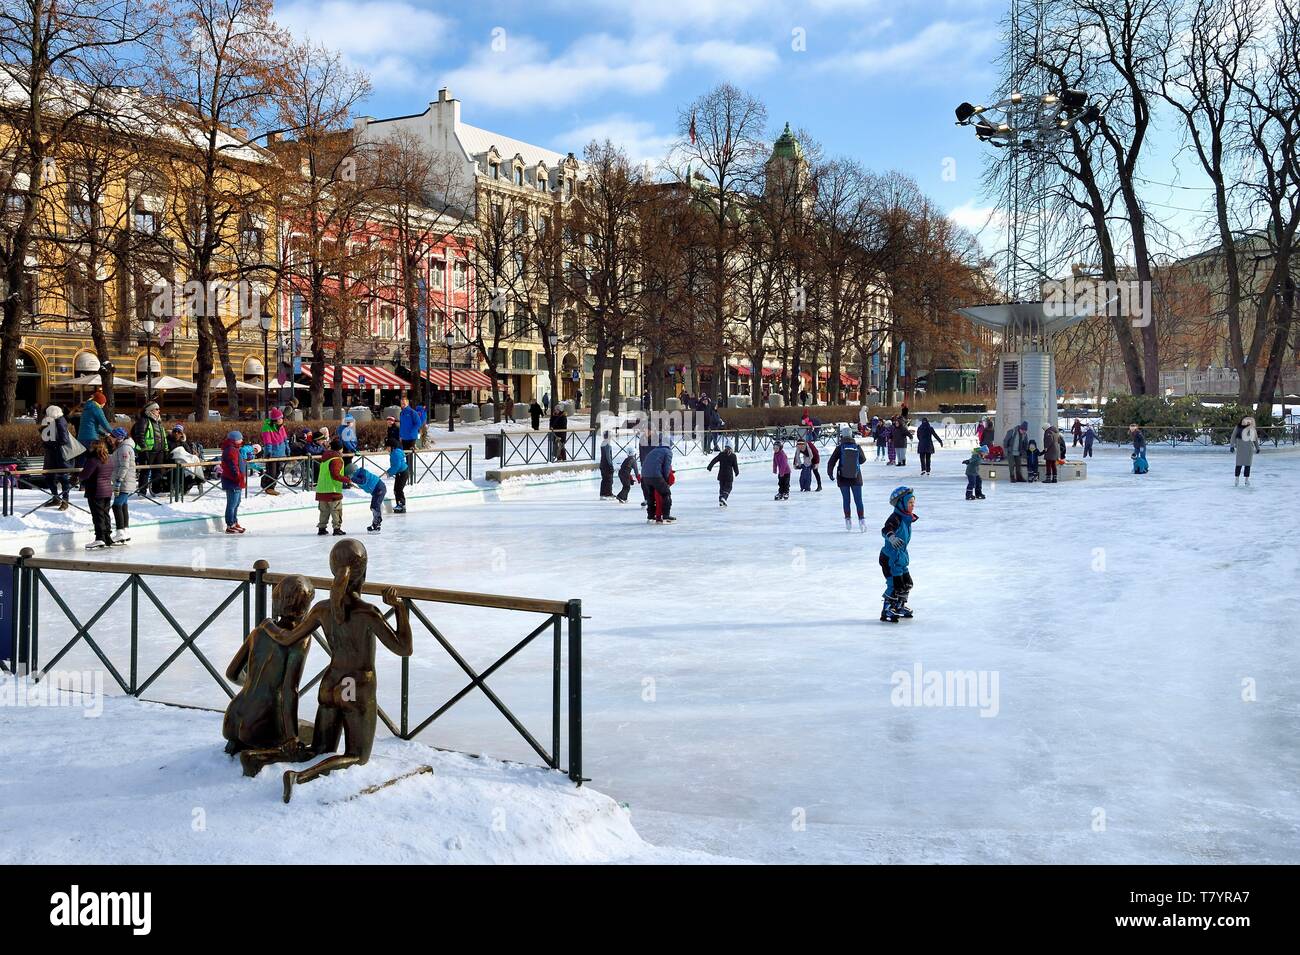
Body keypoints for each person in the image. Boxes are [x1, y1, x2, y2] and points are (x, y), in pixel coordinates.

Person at [261, 539, 413, 803]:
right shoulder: (368, 613)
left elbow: (287, 639)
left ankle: (259, 757)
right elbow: (404, 648)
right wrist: (399, 608)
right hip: (357, 686)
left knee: (319, 748)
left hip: (330, 682)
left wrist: (267, 626)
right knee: (357, 756)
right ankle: (300, 777)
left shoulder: (322, 609)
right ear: (363, 573)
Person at [223, 574, 316, 761]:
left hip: (233, 718)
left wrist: (253, 685)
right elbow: (290, 691)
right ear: (305, 608)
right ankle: (257, 758)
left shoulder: (259, 632)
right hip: (261, 723)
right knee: (313, 734)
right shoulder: (300, 640)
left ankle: (237, 743)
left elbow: (232, 673)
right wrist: (292, 737)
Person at [879, 485, 917, 624]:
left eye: (913, 502)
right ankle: (887, 609)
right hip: (890, 558)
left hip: (900, 557)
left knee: (906, 583)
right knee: (894, 585)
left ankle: (899, 606)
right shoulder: (895, 518)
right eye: (909, 503)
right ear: (901, 503)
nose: (912, 505)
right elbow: (886, 529)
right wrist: (891, 537)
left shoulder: (906, 517)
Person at [79, 439, 116, 549]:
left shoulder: (93, 460)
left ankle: (100, 538)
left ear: (94, 448)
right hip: (107, 490)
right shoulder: (109, 459)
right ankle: (107, 537)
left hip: (95, 491)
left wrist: (78, 475)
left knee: (98, 515)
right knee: (105, 514)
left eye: (91, 446)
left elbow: (85, 475)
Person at [827, 427, 865, 531]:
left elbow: (831, 462)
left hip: (842, 477)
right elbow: (863, 459)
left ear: (842, 436)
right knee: (858, 500)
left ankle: (848, 520)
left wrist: (830, 473)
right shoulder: (857, 446)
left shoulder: (840, 448)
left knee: (846, 500)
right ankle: (861, 521)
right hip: (856, 477)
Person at [315, 436, 351, 535]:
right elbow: (335, 475)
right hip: (333, 490)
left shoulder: (325, 458)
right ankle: (336, 529)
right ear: (340, 449)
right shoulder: (336, 459)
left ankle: (322, 528)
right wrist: (347, 480)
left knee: (324, 511)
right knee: (336, 510)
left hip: (322, 490)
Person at [39, 404, 72, 510]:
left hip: (59, 455)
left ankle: (65, 501)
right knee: (49, 477)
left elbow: (64, 440)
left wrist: (49, 443)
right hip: (52, 455)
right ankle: (56, 498)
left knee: (63, 478)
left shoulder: (60, 422)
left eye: (47, 414)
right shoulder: (54, 422)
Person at [132, 400, 167, 496]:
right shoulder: (144, 420)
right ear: (150, 410)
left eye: (159, 409)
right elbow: (140, 435)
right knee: (145, 471)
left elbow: (163, 436)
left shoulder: (158, 421)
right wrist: (144, 448)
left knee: (158, 471)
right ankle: (142, 491)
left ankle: (156, 490)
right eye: (157, 409)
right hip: (148, 451)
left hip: (159, 451)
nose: (159, 411)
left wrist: (165, 448)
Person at [108, 426, 136, 544]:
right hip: (125, 481)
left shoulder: (124, 448)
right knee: (123, 505)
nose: (111, 439)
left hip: (125, 482)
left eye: (113, 437)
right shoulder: (121, 447)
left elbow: (124, 466)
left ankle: (120, 532)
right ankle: (125, 530)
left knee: (117, 505)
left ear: (119, 438)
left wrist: (119, 480)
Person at [346, 460, 387, 532]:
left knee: (375, 506)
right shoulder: (359, 473)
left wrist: (352, 478)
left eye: (349, 475)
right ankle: (375, 523)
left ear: (353, 472)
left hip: (379, 488)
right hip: (375, 490)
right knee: (373, 507)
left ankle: (376, 524)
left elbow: (363, 481)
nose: (349, 477)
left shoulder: (362, 472)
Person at [220, 430, 247, 534]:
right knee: (232, 503)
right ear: (235, 440)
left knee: (236, 502)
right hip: (233, 480)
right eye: (240, 439)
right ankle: (230, 524)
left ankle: (234, 522)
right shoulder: (231, 450)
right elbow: (233, 465)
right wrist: (238, 476)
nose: (242, 440)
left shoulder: (234, 449)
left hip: (236, 480)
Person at [642, 438, 674, 523]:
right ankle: (666, 516)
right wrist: (665, 480)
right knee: (666, 493)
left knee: (651, 496)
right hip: (655, 475)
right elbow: (666, 468)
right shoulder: (667, 451)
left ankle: (651, 516)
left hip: (645, 476)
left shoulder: (653, 451)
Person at [77, 388, 112, 461]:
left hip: (81, 438)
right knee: (93, 461)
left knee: (82, 462)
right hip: (91, 439)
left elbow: (90, 426)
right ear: (100, 402)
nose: (104, 405)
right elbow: (105, 424)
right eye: (104, 403)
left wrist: (103, 433)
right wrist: (114, 433)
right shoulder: (96, 409)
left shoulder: (86, 408)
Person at [259, 407, 287, 496]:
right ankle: (268, 487)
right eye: (280, 418)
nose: (281, 420)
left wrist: (287, 449)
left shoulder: (281, 427)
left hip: (281, 452)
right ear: (275, 420)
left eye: (282, 418)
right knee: (272, 471)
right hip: (272, 454)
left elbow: (285, 439)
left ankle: (271, 486)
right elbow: (268, 442)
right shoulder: (266, 427)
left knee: (277, 471)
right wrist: (268, 452)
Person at [171, 426, 206, 494]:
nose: (176, 433)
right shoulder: (169, 442)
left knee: (195, 458)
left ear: (181, 434)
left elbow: (189, 453)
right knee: (184, 459)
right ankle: (191, 477)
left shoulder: (183, 443)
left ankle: (199, 478)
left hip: (185, 462)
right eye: (175, 431)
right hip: (175, 461)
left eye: (178, 432)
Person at [706, 443, 739, 507]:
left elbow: (714, 460)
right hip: (729, 476)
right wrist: (736, 472)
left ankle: (720, 501)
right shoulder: (733, 456)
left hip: (721, 475)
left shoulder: (721, 454)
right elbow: (735, 465)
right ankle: (723, 498)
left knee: (722, 488)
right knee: (728, 488)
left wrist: (709, 467)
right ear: (732, 448)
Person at [1230, 416, 1259, 486]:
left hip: (1249, 449)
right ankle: (1236, 479)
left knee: (1248, 465)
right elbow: (1233, 436)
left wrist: (1257, 447)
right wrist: (1232, 446)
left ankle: (1246, 480)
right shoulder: (1238, 427)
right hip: (1240, 448)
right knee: (1238, 464)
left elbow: (1255, 438)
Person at [386, 436, 408, 513]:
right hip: (400, 473)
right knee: (396, 489)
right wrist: (389, 471)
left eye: (388, 447)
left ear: (392, 447)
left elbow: (397, 466)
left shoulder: (396, 453)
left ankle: (402, 505)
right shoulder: (394, 452)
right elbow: (395, 465)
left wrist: (389, 472)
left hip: (402, 473)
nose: (387, 449)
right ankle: (399, 504)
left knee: (399, 489)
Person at [598, 431, 616, 499]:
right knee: (609, 480)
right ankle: (608, 493)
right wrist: (610, 465)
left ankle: (602, 494)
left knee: (604, 480)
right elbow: (608, 456)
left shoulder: (603, 443)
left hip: (602, 464)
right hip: (607, 465)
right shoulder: (608, 444)